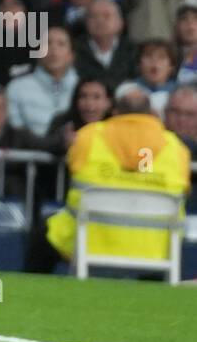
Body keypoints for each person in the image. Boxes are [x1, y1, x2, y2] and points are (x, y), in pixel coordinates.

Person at [38, 88, 191, 271]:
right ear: (153, 114)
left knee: (43, 232)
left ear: (115, 111)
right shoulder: (177, 148)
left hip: (90, 242)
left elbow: (73, 165)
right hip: (155, 248)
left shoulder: (88, 136)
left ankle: (31, 296)